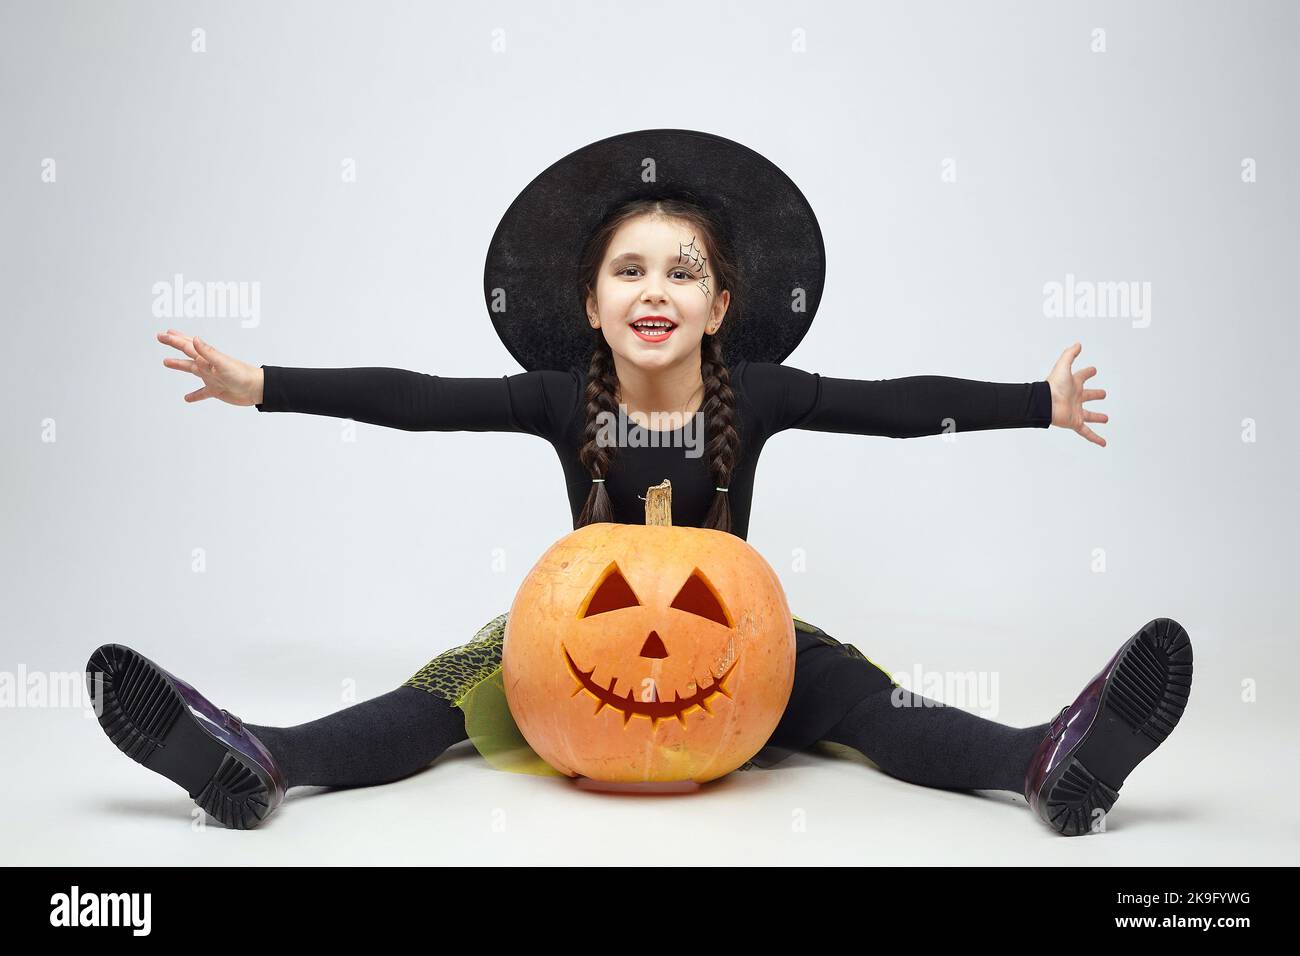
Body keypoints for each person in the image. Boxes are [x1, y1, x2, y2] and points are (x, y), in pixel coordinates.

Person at [85, 130, 1192, 836]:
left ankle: (1041, 758)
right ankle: (264, 757)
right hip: (570, 646)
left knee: (868, 701)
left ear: (719, 306)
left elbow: (896, 404)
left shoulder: (759, 392)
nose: (654, 289)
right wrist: (260, 384)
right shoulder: (556, 399)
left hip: (740, 643)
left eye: (681, 272)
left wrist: (1036, 400)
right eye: (629, 270)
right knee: (440, 697)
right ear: (591, 302)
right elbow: (415, 396)